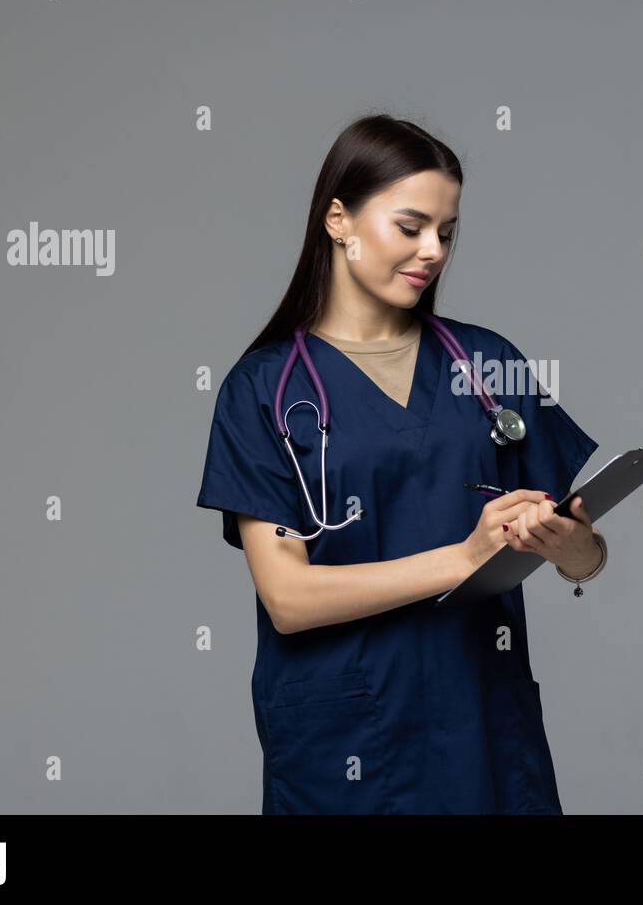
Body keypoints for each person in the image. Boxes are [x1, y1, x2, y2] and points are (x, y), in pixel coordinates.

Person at [196, 114, 608, 814]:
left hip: (483, 721)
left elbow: (585, 558)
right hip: (349, 741)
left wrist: (571, 548)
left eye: (446, 232)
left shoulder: (486, 365)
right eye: (410, 226)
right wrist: (463, 558)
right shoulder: (264, 390)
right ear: (338, 219)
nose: (432, 251)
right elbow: (288, 599)